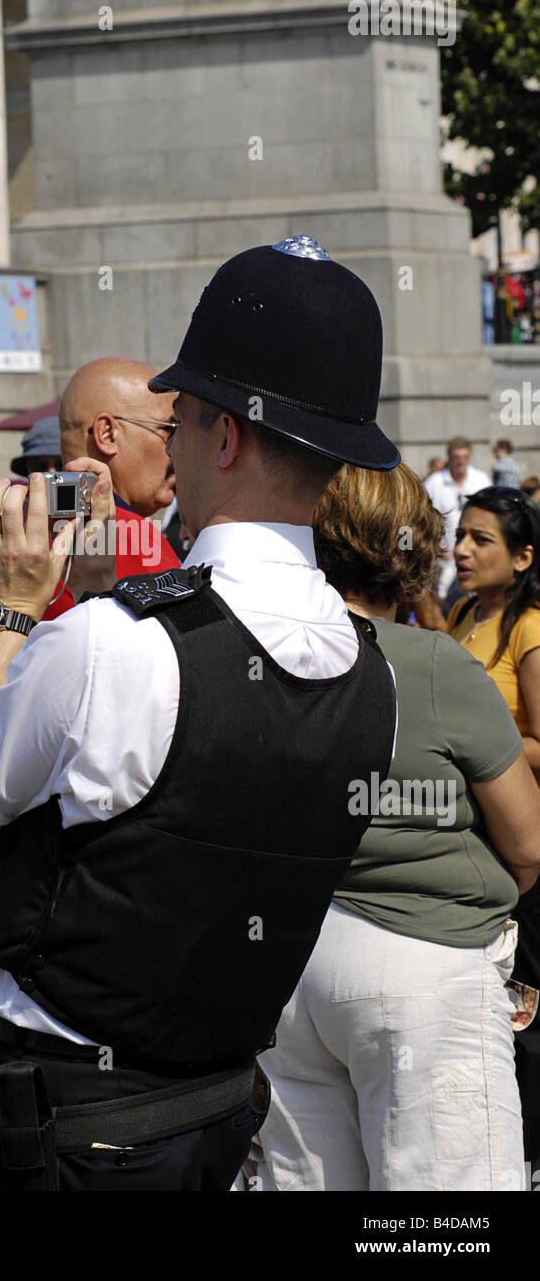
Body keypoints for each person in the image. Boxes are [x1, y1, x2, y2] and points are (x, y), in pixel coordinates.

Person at [0, 234, 399, 1192]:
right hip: (219, 1109)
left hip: (70, 1122)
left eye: (177, 422)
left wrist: (9, 611)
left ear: (223, 437)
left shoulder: (115, 643)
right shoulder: (369, 674)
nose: (167, 445)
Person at [253, 464, 540, 1192]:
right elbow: (528, 843)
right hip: (424, 967)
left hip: (282, 971)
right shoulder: (437, 663)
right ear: (414, 555)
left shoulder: (250, 658)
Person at [447, 485, 540, 1167]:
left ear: (523, 557)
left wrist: (473, 744)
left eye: (482, 540)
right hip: (471, 840)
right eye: (461, 536)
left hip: (524, 841)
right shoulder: (458, 613)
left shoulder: (530, 627)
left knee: (526, 999)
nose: (462, 550)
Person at [44, 358, 181, 618]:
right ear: (107, 434)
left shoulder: (20, 526)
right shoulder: (133, 536)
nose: (177, 447)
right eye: (170, 429)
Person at [424, 436, 491, 604]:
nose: (460, 462)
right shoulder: (434, 483)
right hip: (444, 559)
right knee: (443, 600)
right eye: (456, 457)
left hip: (475, 556)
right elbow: (420, 518)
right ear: (449, 457)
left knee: (474, 601)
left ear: (469, 457)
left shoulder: (481, 481)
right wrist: (435, 545)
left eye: (464, 457)